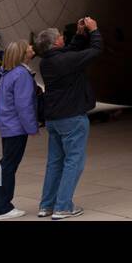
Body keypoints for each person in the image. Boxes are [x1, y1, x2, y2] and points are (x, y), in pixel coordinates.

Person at [35, 16, 102, 220]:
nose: (64, 38)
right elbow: (96, 51)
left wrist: (80, 35)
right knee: (74, 161)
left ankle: (46, 205)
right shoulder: (64, 61)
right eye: (61, 36)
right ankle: (63, 206)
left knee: (54, 162)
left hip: (54, 118)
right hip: (72, 117)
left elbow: (68, 52)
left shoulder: (47, 61)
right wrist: (94, 31)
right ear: (56, 42)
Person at [0, 41, 39, 219]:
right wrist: (32, 127)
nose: (32, 48)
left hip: (8, 127)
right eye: (29, 47)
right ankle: (3, 207)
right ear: (23, 54)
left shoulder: (7, 74)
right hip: (16, 128)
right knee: (8, 167)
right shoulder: (21, 74)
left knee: (4, 166)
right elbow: (24, 105)